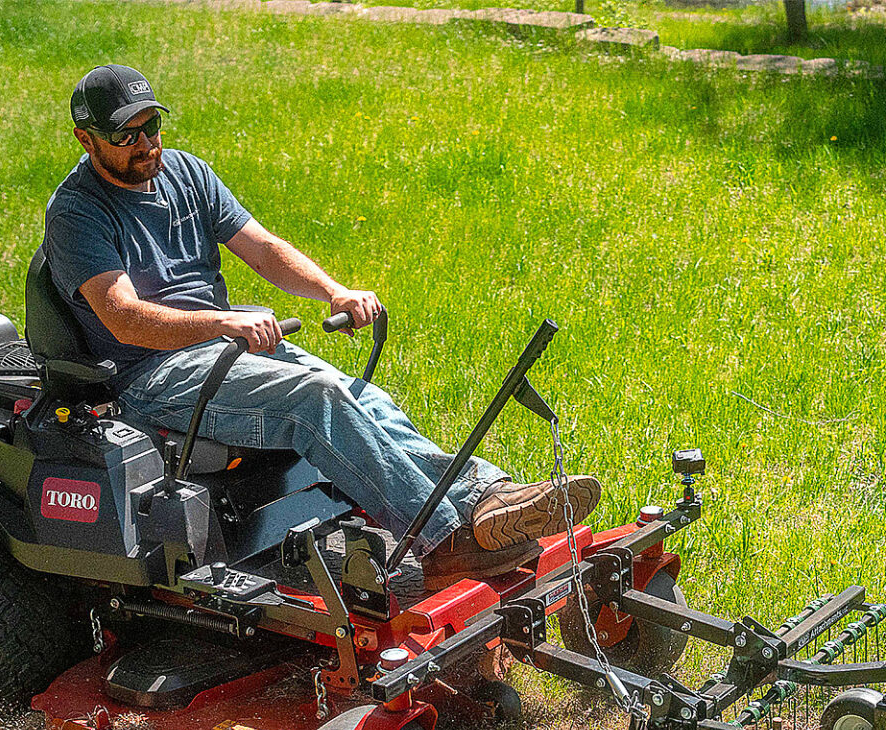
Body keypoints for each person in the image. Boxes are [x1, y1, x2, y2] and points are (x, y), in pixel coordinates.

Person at [43, 64, 601, 589]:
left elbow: (262, 249)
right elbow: (124, 318)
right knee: (318, 396)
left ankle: (484, 498)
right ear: (86, 140)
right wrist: (224, 322)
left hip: (218, 348)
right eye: (127, 136)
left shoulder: (187, 174)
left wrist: (333, 289)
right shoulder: (76, 213)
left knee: (364, 397)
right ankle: (443, 542)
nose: (147, 145)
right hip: (154, 374)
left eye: (152, 127)